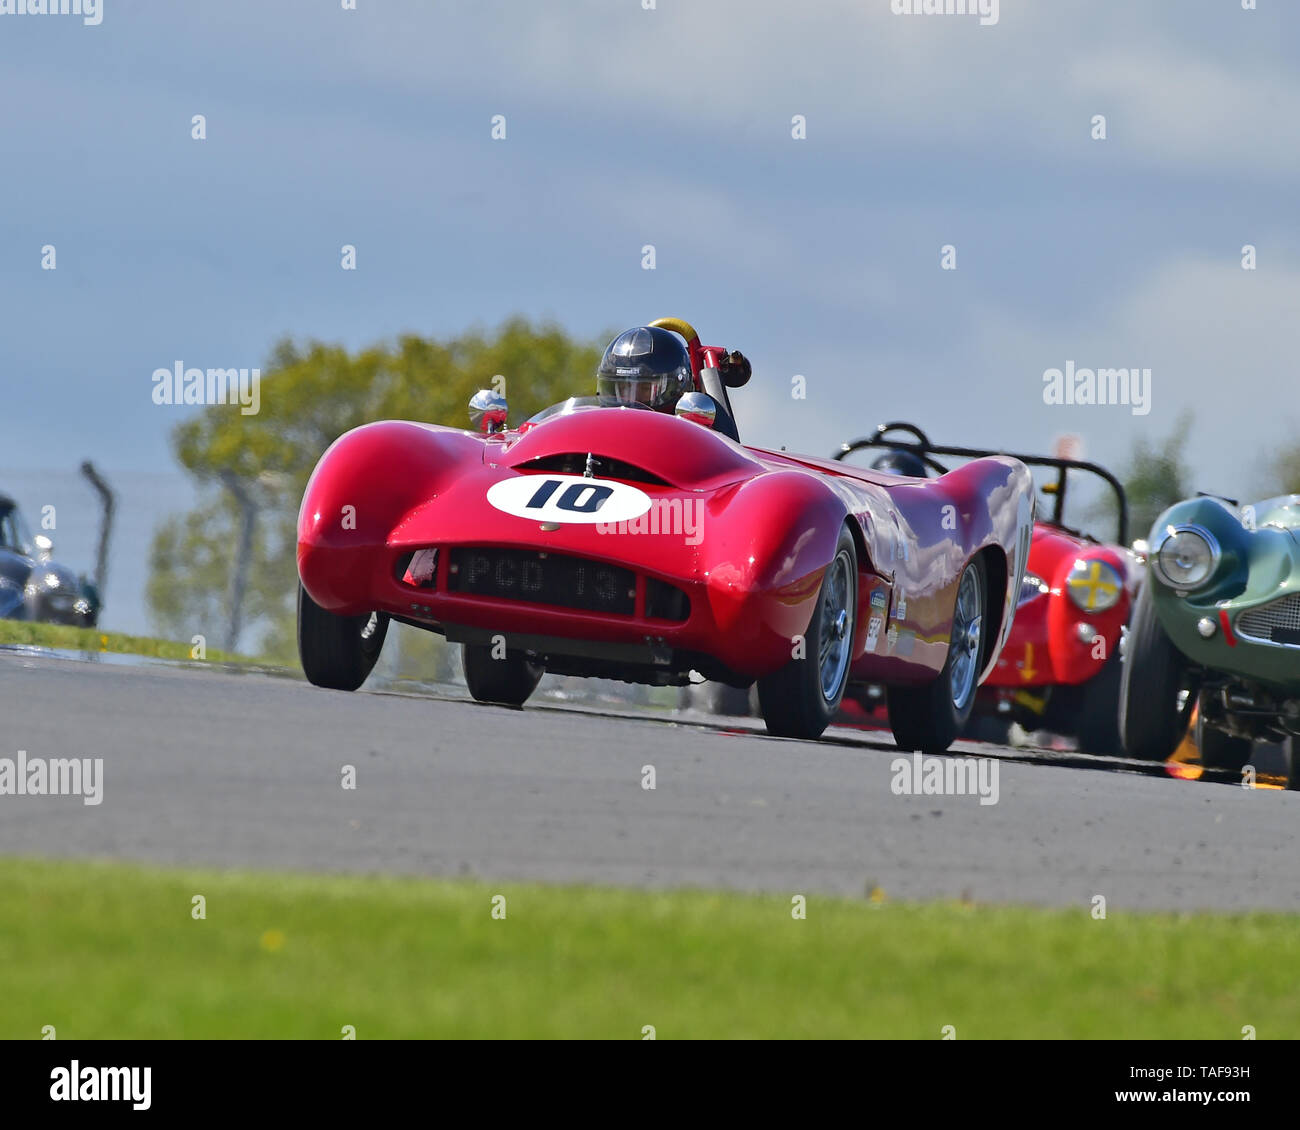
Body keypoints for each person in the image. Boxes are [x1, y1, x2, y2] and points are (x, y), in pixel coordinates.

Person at [595, 326, 746, 440]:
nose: (632, 399)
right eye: (623, 388)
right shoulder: (600, 434)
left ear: (675, 389)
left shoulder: (692, 444)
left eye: (645, 388)